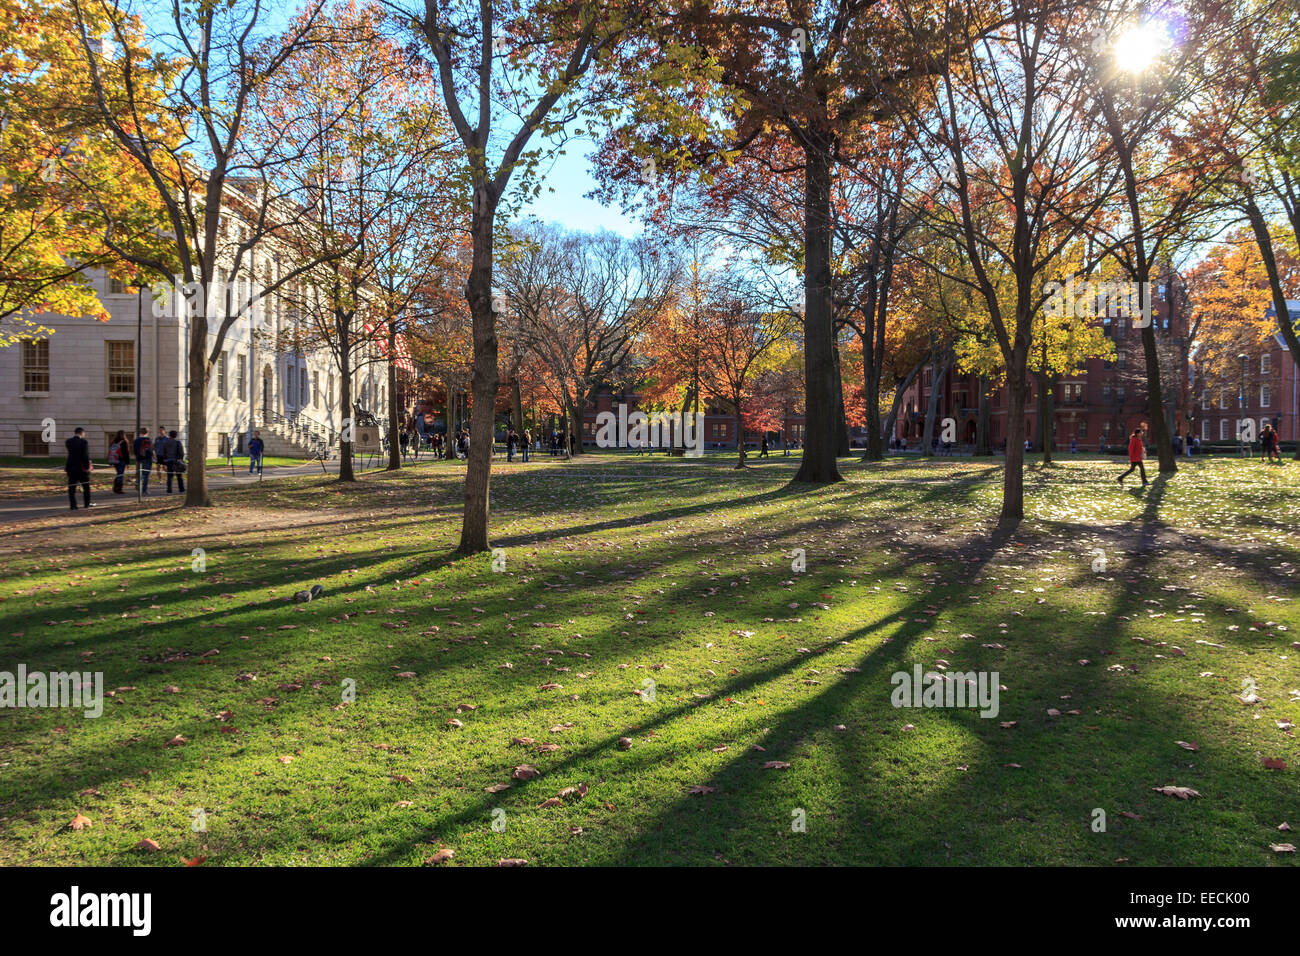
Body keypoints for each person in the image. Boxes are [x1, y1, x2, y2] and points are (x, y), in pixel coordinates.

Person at [65, 427, 93, 510]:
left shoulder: (68, 442)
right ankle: (86, 504)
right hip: (81, 468)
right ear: (82, 433)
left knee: (72, 488)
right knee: (86, 487)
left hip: (71, 467)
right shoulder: (83, 442)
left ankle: (73, 505)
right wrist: (87, 467)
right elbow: (85, 456)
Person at [132, 428, 154, 495]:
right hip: (148, 459)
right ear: (147, 432)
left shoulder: (136, 440)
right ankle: (144, 490)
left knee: (140, 474)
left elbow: (135, 451)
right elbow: (151, 450)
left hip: (139, 459)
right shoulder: (149, 440)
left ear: (140, 432)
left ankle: (138, 483)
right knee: (146, 475)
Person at [108, 429, 130, 494]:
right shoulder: (124, 442)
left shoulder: (114, 441)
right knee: (120, 474)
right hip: (121, 460)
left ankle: (115, 487)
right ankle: (118, 489)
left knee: (119, 474)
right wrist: (128, 462)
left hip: (115, 460)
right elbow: (126, 453)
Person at [164, 430, 185, 494]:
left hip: (168, 461)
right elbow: (181, 452)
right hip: (176, 461)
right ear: (176, 436)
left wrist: (165, 461)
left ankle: (169, 490)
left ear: (169, 435)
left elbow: (164, 452)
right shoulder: (178, 442)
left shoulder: (166, 443)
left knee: (169, 476)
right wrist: (181, 459)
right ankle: (181, 490)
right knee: (179, 476)